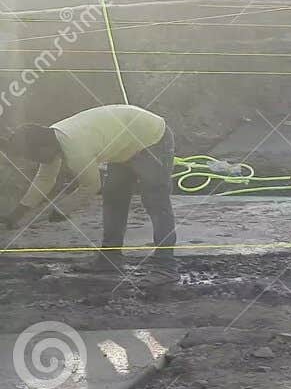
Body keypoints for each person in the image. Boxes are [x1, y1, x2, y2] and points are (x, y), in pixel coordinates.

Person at [3, 104, 177, 273]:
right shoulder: (51, 138)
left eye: (33, 156)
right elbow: (44, 179)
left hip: (152, 137)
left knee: (155, 200)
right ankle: (110, 259)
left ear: (42, 147)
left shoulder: (75, 148)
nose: (34, 161)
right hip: (124, 142)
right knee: (114, 199)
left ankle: (165, 264)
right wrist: (16, 214)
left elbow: (91, 185)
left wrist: (62, 210)